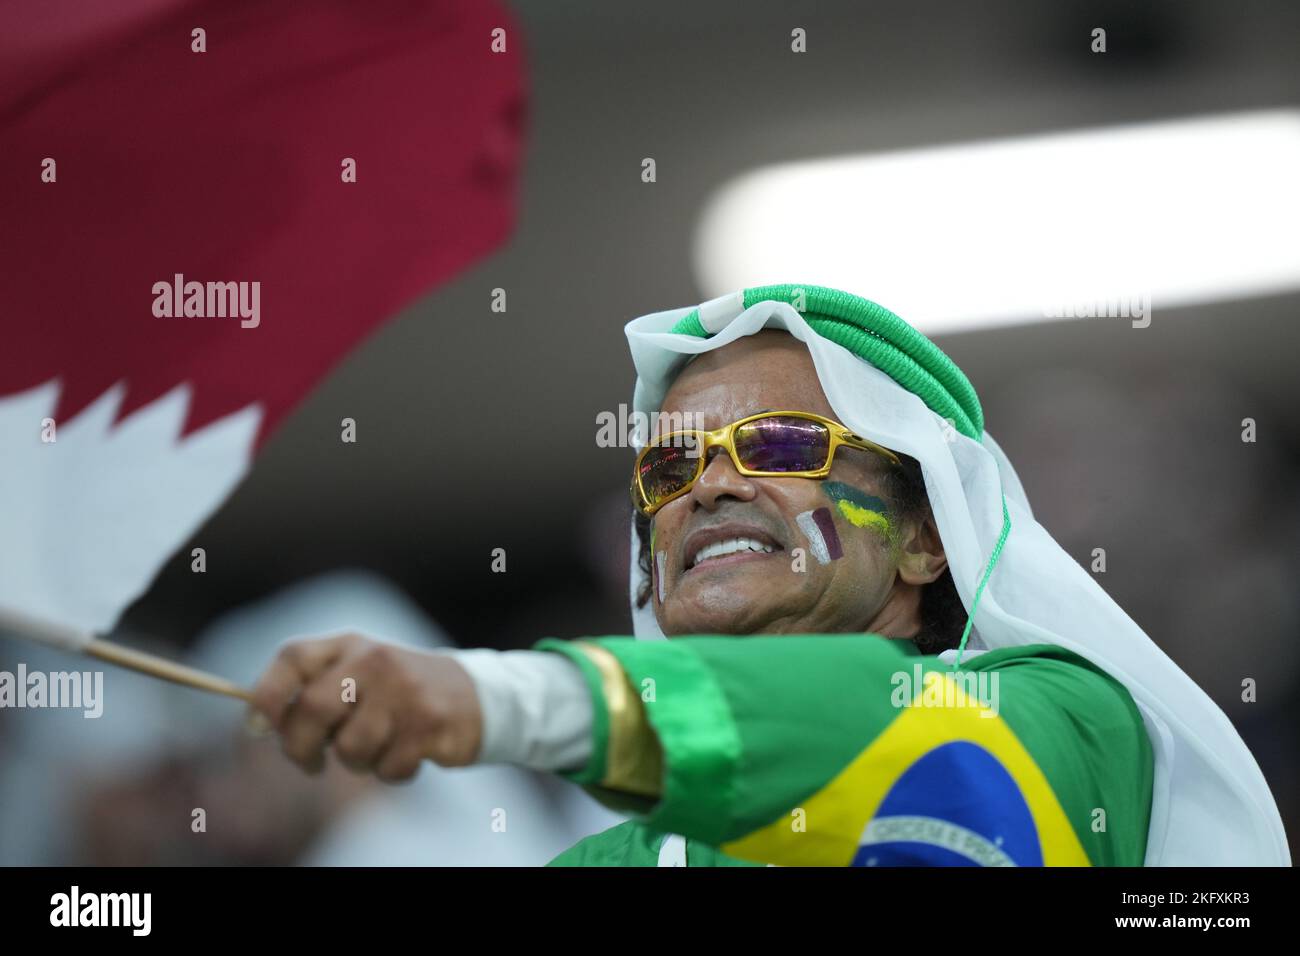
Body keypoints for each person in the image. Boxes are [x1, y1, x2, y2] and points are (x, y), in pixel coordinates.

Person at [250, 284, 1291, 866]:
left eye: (781, 444)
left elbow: (882, 725)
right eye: (667, 466)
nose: (702, 489)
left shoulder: (1068, 722)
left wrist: (512, 697)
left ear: (927, 537)